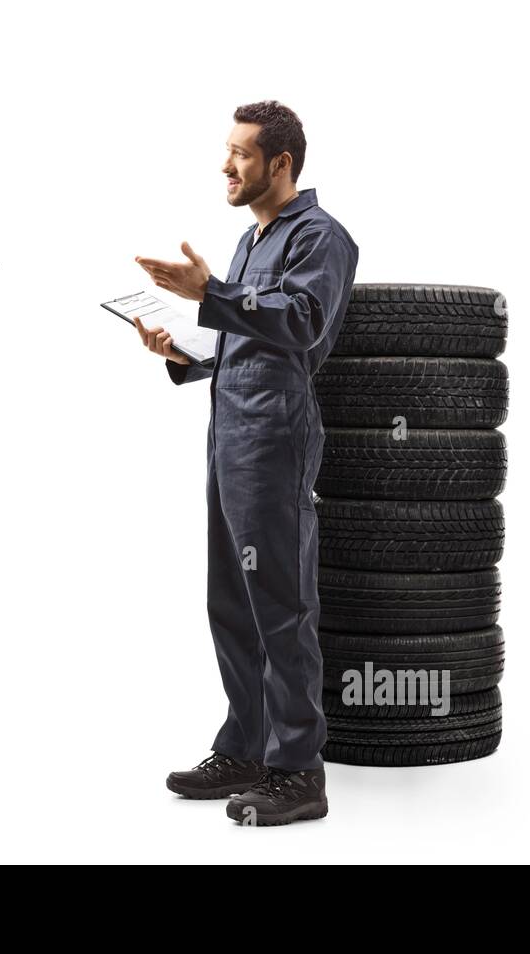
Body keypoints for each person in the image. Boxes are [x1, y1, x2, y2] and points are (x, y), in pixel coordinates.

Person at [133, 101, 359, 826]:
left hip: (274, 441)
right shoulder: (249, 239)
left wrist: (211, 295)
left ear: (280, 164)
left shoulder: (321, 238)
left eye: (240, 154)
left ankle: (298, 771)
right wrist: (186, 350)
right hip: (229, 434)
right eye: (226, 152)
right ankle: (247, 745)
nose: (226, 166)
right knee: (230, 602)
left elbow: (301, 324)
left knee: (280, 607)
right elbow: (250, 336)